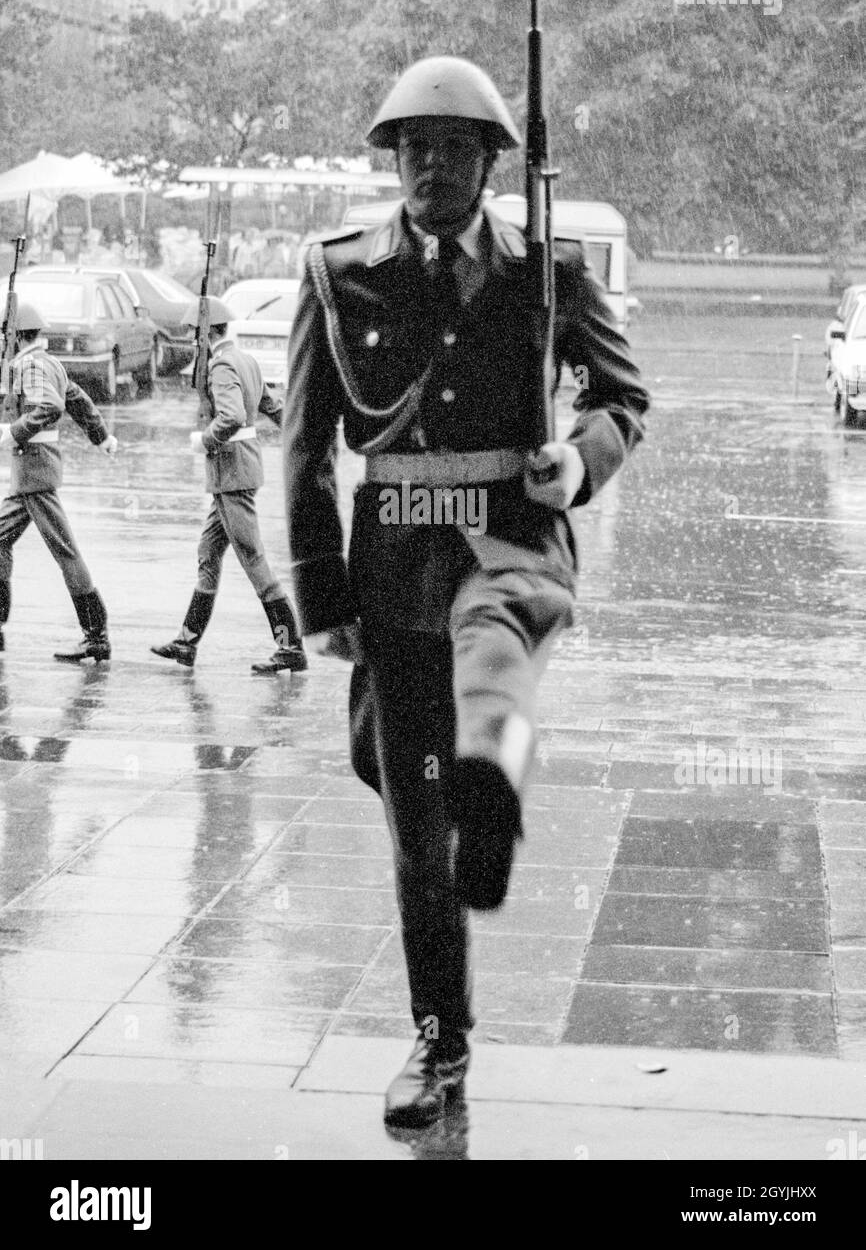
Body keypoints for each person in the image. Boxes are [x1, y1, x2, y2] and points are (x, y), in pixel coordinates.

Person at [282, 55, 650, 1128]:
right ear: (391, 160)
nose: (431, 166)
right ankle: (441, 1007)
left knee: (491, 669)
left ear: (491, 164)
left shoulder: (547, 268)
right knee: (409, 815)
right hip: (393, 559)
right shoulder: (336, 270)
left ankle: (491, 793)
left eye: (454, 149)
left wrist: (576, 461)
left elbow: (623, 398)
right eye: (413, 149)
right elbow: (304, 446)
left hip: (511, 537)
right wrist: (321, 597)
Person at [151, 297, 306, 676]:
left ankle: (290, 645)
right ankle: (187, 642)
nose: (191, 341)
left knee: (253, 559)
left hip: (231, 475)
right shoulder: (245, 359)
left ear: (205, 334)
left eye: (193, 334)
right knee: (208, 551)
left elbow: (233, 416)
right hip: (234, 476)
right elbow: (272, 406)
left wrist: (205, 439)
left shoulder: (221, 364)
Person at [0, 302, 117, 661]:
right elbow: (78, 401)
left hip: (35, 472)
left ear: (16, 336)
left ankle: (96, 634)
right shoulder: (48, 363)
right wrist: (102, 437)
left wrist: (13, 432)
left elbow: (50, 406)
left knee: (65, 551)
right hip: (31, 475)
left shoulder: (31, 365)